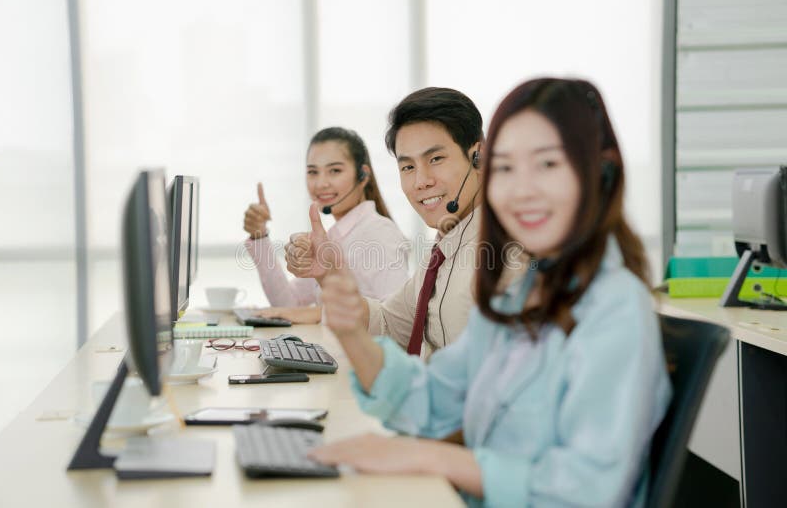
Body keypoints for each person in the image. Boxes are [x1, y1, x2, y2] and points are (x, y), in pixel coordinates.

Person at [309, 78, 673, 507]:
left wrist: (427, 457)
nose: (521, 189)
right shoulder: (514, 299)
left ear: (600, 170)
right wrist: (349, 324)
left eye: (547, 165)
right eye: (506, 168)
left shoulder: (615, 307)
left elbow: (585, 490)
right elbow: (430, 399)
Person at [286, 88, 484, 357]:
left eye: (435, 159)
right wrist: (329, 277)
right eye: (408, 167)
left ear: (478, 157)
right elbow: (390, 324)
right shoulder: (444, 249)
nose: (421, 181)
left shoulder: (502, 254)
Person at [243, 127, 408, 324]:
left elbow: (397, 321)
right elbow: (288, 304)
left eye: (335, 171)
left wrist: (314, 313)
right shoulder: (335, 236)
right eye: (313, 172)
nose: (321, 183)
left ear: (363, 175)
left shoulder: (379, 232)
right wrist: (259, 236)